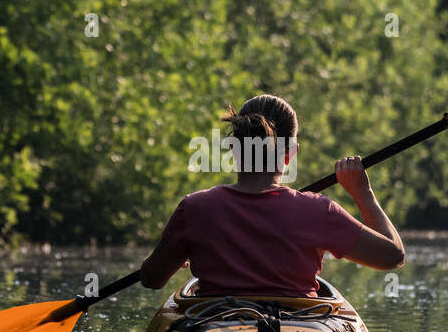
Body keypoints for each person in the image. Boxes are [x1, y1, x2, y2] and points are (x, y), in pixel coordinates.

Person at [139, 94, 405, 297]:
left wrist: (180, 253)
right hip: (296, 331)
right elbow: (393, 256)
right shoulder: (319, 211)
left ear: (233, 149)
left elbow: (151, 279)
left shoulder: (195, 208)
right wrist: (363, 192)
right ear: (290, 154)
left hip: (216, 329)